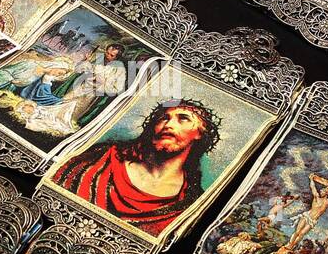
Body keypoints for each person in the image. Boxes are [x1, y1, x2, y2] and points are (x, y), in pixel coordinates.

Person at [52, 99, 220, 236]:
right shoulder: (101, 159)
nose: (168, 125)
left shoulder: (189, 202)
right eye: (163, 118)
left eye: (183, 118)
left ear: (200, 133)